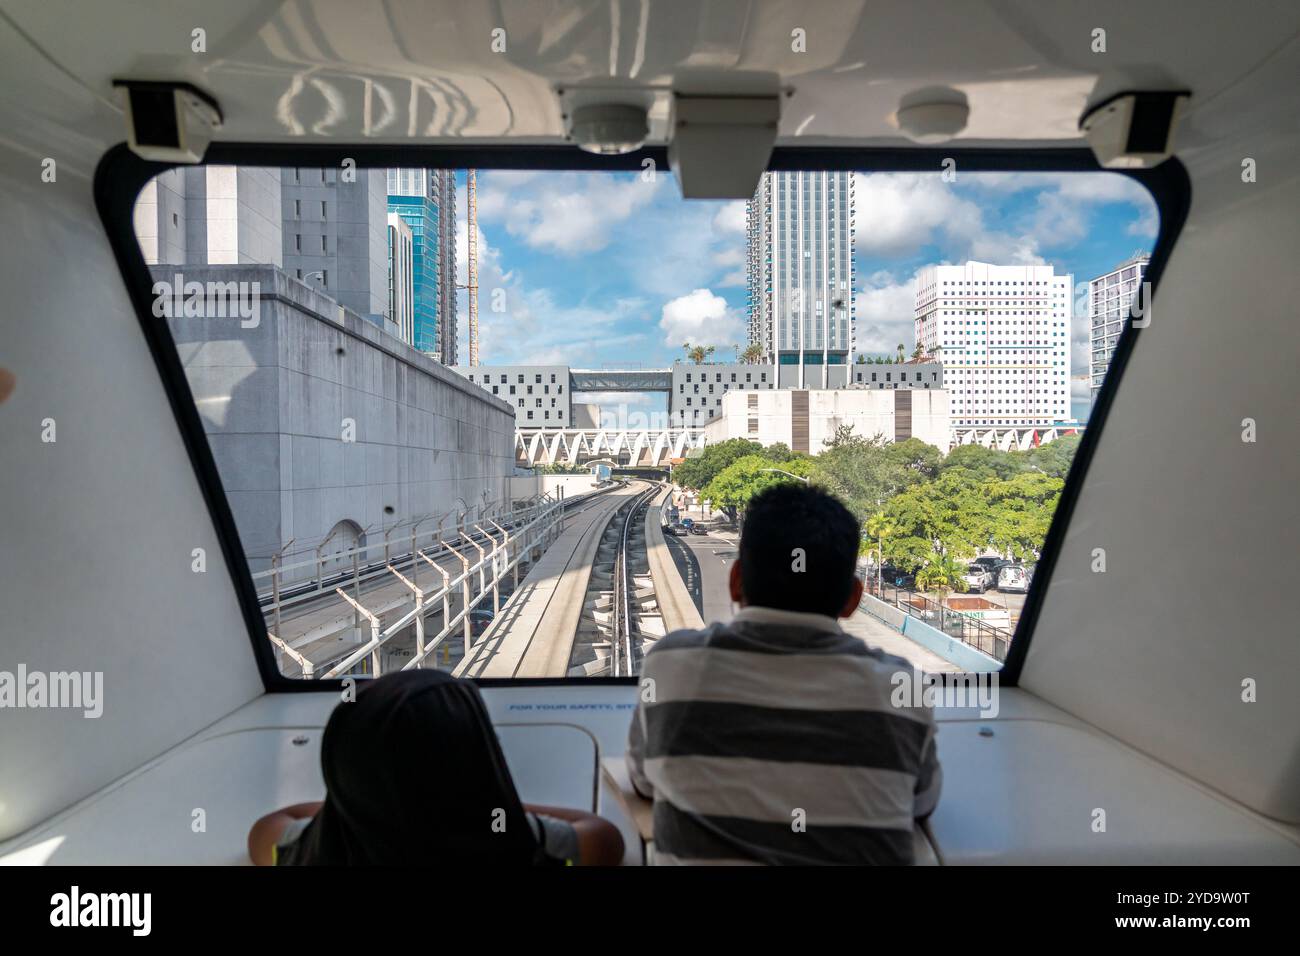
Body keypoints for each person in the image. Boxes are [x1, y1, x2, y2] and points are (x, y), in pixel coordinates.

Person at [627, 482, 942, 865]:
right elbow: (922, 802)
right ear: (853, 599)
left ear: (735, 579)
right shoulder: (902, 689)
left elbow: (643, 781)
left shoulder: (668, 665)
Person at [249, 670, 624, 866]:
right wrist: (487, 807)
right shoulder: (526, 847)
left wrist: (364, 810)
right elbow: (603, 836)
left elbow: (265, 829)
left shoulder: (302, 851)